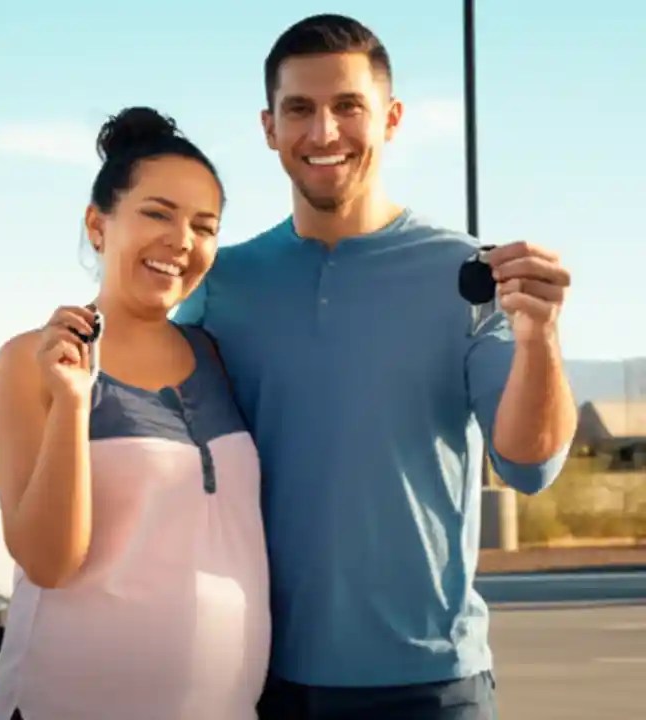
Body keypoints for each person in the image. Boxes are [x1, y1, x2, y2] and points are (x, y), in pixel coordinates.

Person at [173, 13, 577, 719]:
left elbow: (529, 465)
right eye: (300, 109)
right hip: (266, 679)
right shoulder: (221, 284)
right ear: (269, 128)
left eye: (348, 107)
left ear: (390, 120)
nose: (323, 133)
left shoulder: (467, 275)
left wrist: (540, 337)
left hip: (433, 686)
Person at [0, 106, 270, 720]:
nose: (182, 241)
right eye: (157, 213)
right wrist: (72, 402)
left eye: (204, 225)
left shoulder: (219, 357)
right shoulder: (28, 361)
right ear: (97, 224)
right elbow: (47, 561)